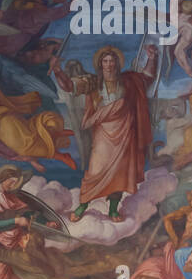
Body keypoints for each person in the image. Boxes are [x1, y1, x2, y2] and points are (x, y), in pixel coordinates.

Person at [52, 45, 157, 221]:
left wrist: (152, 59)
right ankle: (83, 205)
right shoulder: (93, 82)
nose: (109, 64)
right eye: (105, 61)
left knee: (119, 173)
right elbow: (69, 86)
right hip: (103, 134)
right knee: (95, 171)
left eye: (112, 61)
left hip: (124, 133)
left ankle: (113, 209)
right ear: (100, 64)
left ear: (117, 63)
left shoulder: (129, 81)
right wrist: (57, 71)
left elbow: (147, 77)